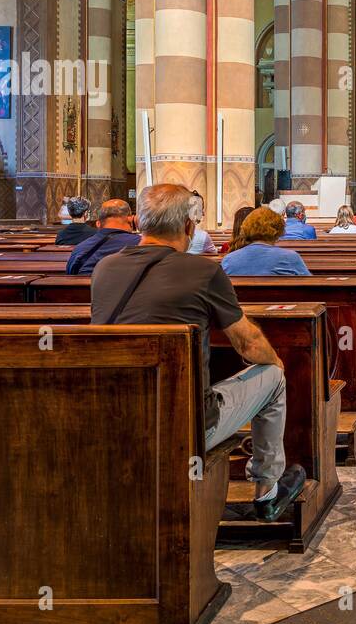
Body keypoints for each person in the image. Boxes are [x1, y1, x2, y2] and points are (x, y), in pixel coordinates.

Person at [90, 184, 305, 521]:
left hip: (116, 415)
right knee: (273, 376)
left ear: (139, 224)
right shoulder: (203, 271)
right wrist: (275, 360)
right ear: (188, 227)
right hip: (187, 422)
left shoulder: (104, 270)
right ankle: (268, 488)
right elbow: (248, 344)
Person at [222, 208, 311, 276]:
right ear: (278, 230)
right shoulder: (290, 257)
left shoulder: (229, 260)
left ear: (245, 228)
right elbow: (311, 286)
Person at [67, 199, 141, 275]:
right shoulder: (141, 244)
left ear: (98, 224)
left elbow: (69, 276)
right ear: (131, 219)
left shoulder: (80, 249)